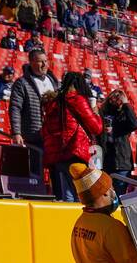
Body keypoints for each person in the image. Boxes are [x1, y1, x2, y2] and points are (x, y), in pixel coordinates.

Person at [41, 71, 103, 202]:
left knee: (64, 195)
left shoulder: (52, 102)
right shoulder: (76, 99)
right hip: (73, 150)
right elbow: (96, 128)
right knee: (78, 196)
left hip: (55, 155)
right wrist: (95, 111)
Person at [8, 47, 58, 150]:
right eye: (40, 61)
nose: (44, 65)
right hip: (33, 135)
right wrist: (16, 132)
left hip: (53, 135)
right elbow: (15, 108)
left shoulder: (53, 81)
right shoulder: (22, 83)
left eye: (45, 61)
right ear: (31, 62)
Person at [98, 89, 137, 181]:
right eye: (114, 97)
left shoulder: (125, 115)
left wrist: (126, 104)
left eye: (119, 98)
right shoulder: (102, 114)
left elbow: (135, 125)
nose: (116, 100)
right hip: (105, 160)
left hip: (121, 161)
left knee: (120, 193)